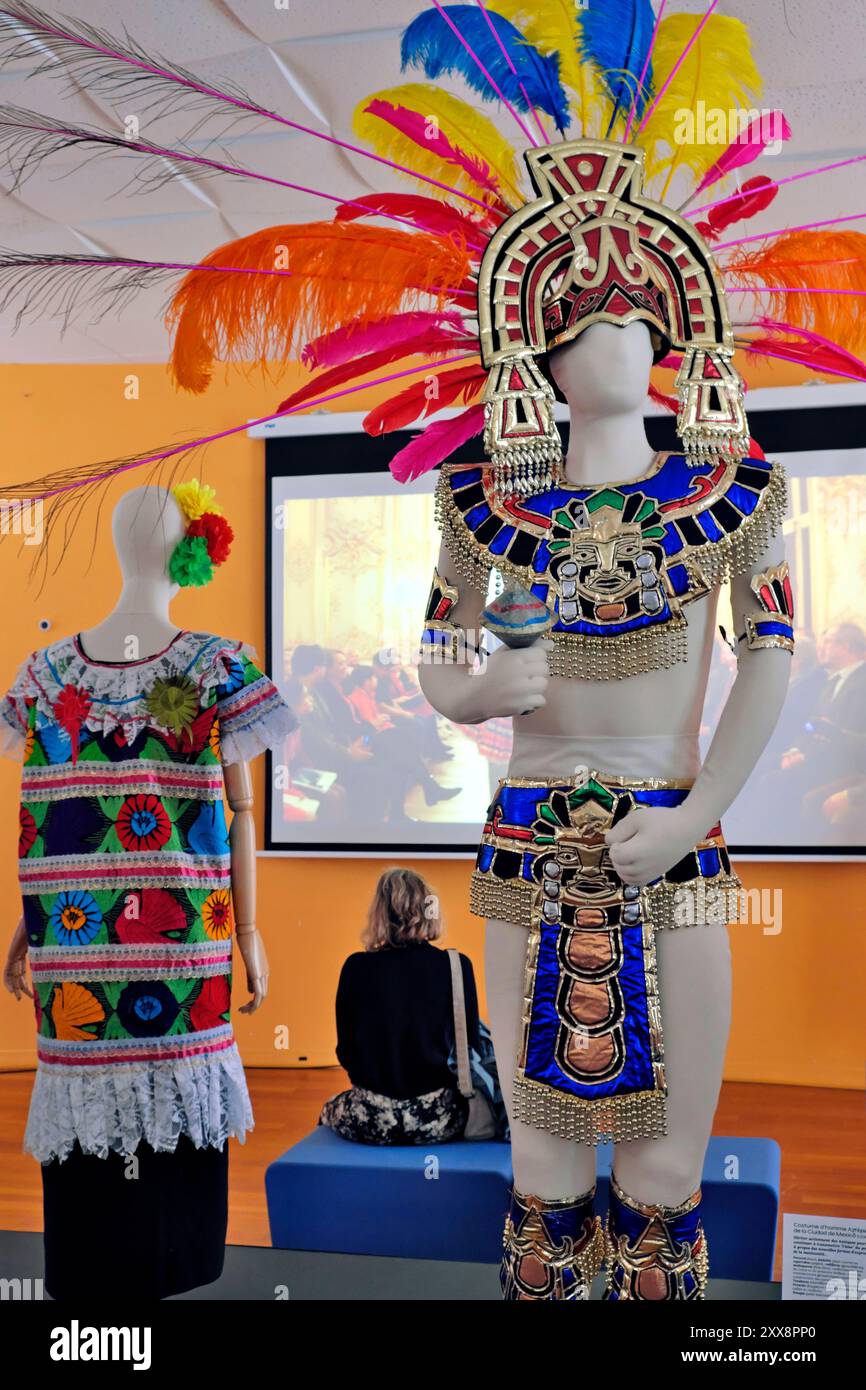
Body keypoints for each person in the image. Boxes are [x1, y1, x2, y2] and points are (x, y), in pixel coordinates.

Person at [319, 868, 480, 1145]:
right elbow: (471, 1047)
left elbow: (345, 1052)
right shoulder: (457, 965)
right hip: (438, 1119)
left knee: (327, 1111)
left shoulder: (356, 967)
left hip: (371, 1118)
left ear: (379, 914)